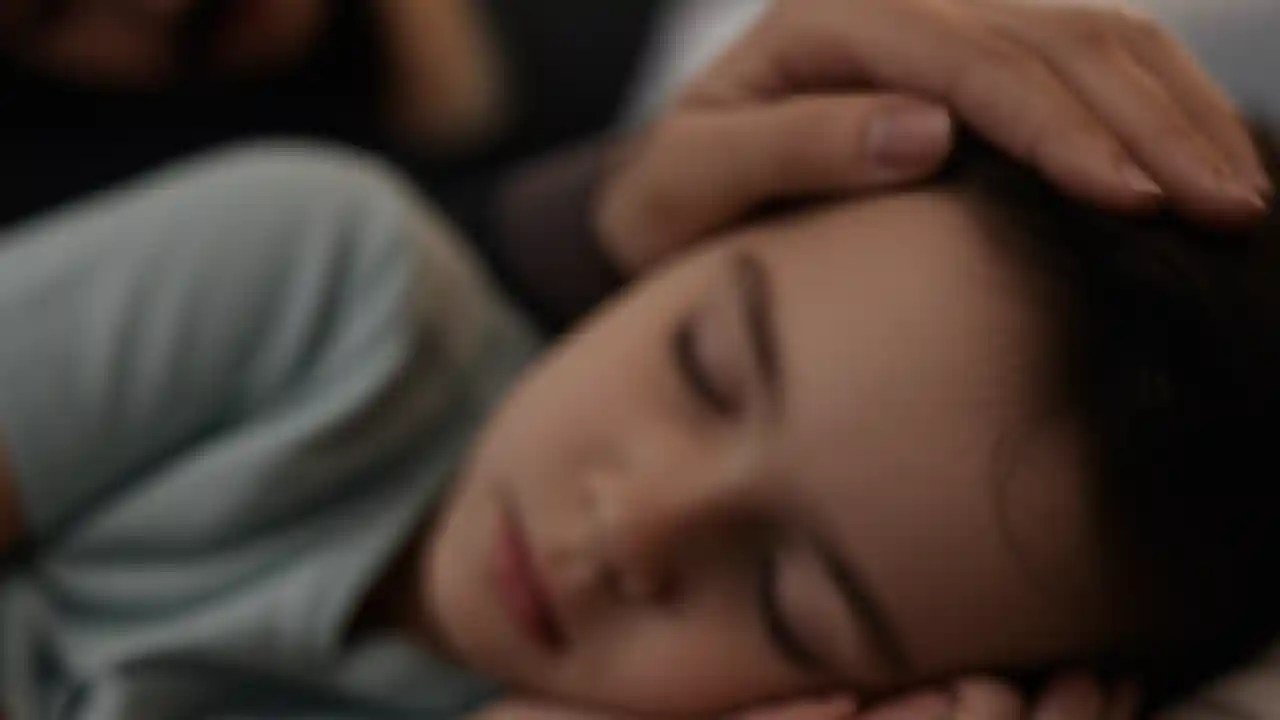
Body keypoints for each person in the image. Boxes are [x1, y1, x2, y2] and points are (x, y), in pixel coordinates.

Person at [0, 1, 1274, 718]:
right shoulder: (322, 290)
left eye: (788, 605)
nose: (633, 523)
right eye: (704, 363)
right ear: (688, 244)